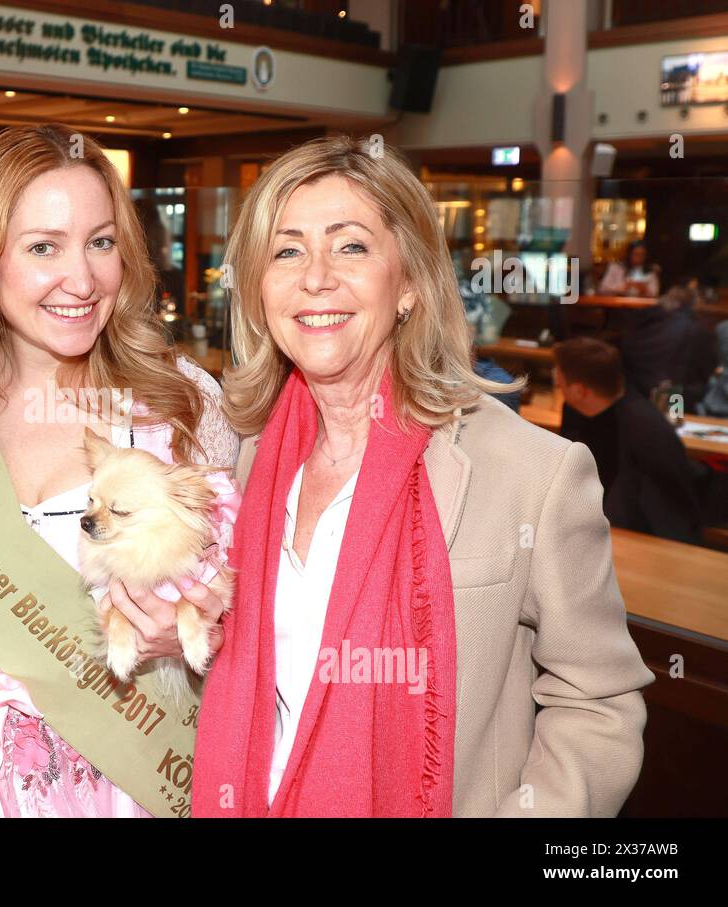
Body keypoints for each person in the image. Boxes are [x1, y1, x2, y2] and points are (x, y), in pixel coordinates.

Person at [194, 134, 654, 817]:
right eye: (287, 250)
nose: (316, 276)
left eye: (351, 246)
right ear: (259, 289)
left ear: (408, 281)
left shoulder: (534, 473)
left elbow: (599, 700)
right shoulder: (243, 458)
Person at [0, 124, 239, 818]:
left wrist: (209, 624)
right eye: (43, 246)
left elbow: (264, 604)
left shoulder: (182, 404)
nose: (81, 279)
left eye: (101, 242)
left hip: (135, 774)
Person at [556, 337, 701, 545]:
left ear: (580, 391)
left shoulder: (647, 431)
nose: (556, 380)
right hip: (588, 523)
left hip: (640, 538)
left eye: (559, 376)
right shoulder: (574, 410)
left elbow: (673, 512)